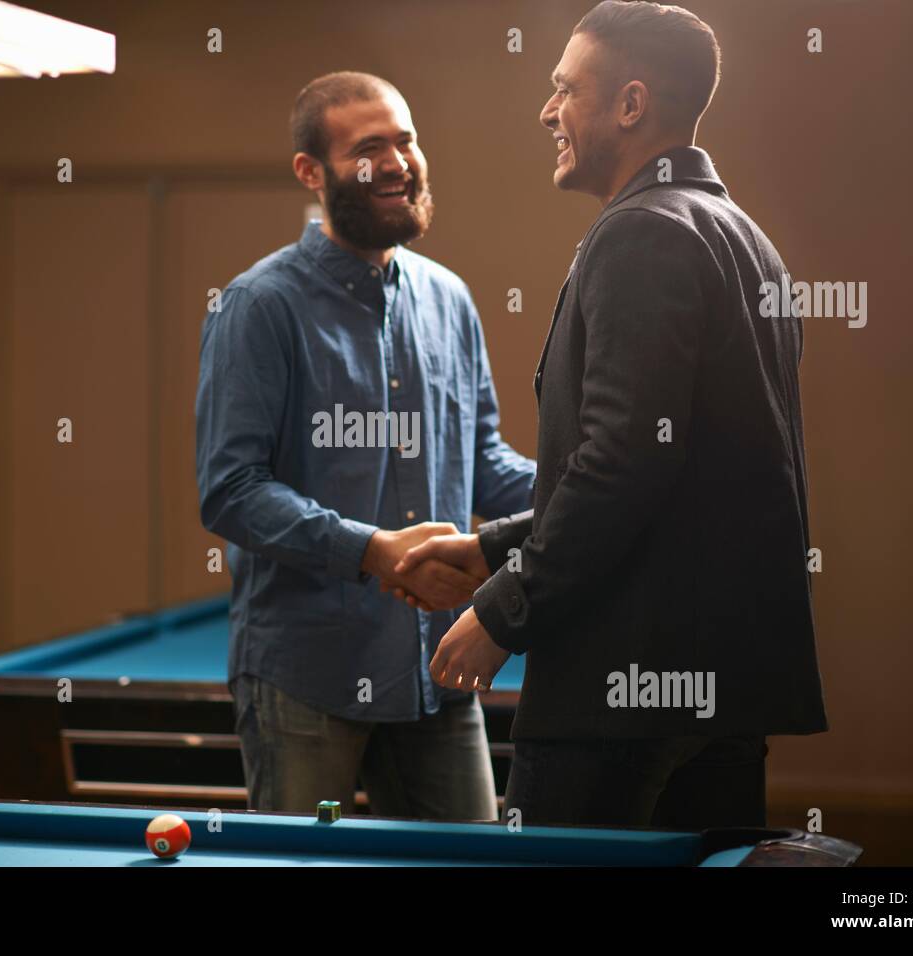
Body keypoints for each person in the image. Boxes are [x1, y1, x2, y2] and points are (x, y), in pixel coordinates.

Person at [397, 1, 828, 829]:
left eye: (566, 90)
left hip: (620, 696)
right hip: (719, 696)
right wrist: (490, 548)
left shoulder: (641, 234)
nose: (548, 111)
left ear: (631, 105)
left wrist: (503, 612)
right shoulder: (745, 238)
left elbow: (622, 464)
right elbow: (679, 478)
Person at [195, 72, 535, 821]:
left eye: (406, 139)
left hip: (438, 673)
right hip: (304, 678)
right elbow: (230, 489)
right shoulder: (257, 306)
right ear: (310, 173)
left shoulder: (449, 298)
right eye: (368, 148)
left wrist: (590, 491)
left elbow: (483, 461)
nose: (398, 162)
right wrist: (369, 549)